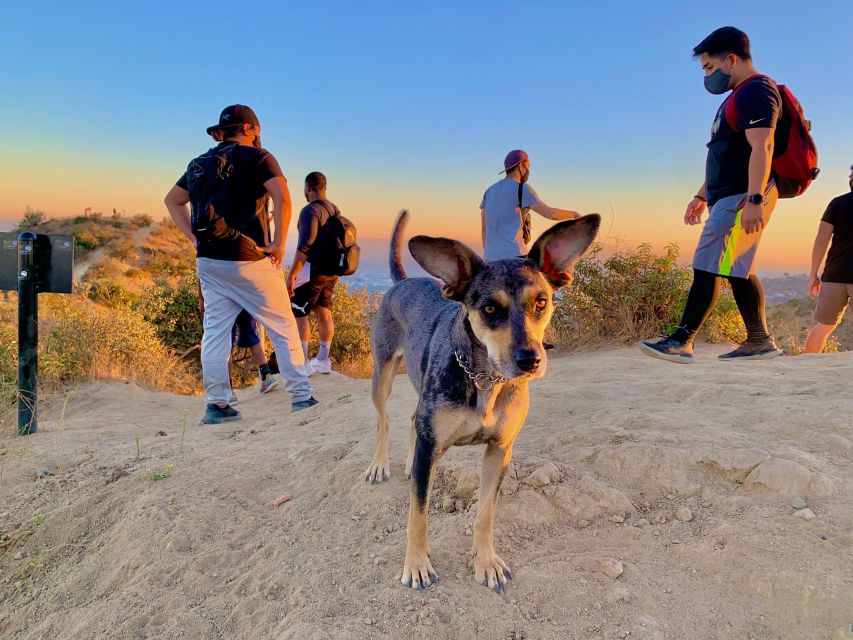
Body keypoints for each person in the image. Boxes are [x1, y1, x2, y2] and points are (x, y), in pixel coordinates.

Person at [164, 104, 318, 423]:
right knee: (283, 325)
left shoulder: (199, 163)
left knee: (216, 333)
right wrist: (278, 242)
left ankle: (216, 405)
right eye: (258, 130)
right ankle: (302, 397)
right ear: (249, 129)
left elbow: (172, 200)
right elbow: (283, 197)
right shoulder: (260, 157)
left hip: (209, 260)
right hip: (250, 260)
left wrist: (193, 237)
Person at [640, 27, 783, 364]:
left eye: (708, 67)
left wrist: (754, 199)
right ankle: (759, 340)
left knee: (707, 263)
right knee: (736, 268)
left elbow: (763, 146)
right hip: (730, 194)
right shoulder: (737, 97)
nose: (706, 76)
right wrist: (702, 194)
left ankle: (682, 340)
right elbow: (727, 154)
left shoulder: (757, 90)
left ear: (730, 60)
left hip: (742, 195)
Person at [480, 149, 581, 260]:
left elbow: (484, 228)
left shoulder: (488, 191)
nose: (528, 169)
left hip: (490, 258)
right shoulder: (522, 188)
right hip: (515, 256)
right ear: (520, 165)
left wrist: (490, 255)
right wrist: (575, 215)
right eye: (528, 165)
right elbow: (550, 213)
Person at [286, 171, 340, 375]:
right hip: (331, 271)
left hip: (311, 271)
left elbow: (304, 247)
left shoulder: (310, 211)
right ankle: (323, 361)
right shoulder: (334, 210)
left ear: (308, 188)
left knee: (300, 314)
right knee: (324, 313)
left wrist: (292, 275)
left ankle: (304, 363)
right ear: (324, 187)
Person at [198, 284, 279, 395]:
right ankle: (266, 376)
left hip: (223, 301)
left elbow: (201, 273)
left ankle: (228, 389)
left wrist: (201, 298)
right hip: (243, 296)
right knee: (252, 337)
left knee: (225, 344)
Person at [805, 165, 853, 353]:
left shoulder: (837, 203)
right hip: (835, 274)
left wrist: (813, 274)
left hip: (835, 274)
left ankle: (807, 367)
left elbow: (821, 240)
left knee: (824, 327)